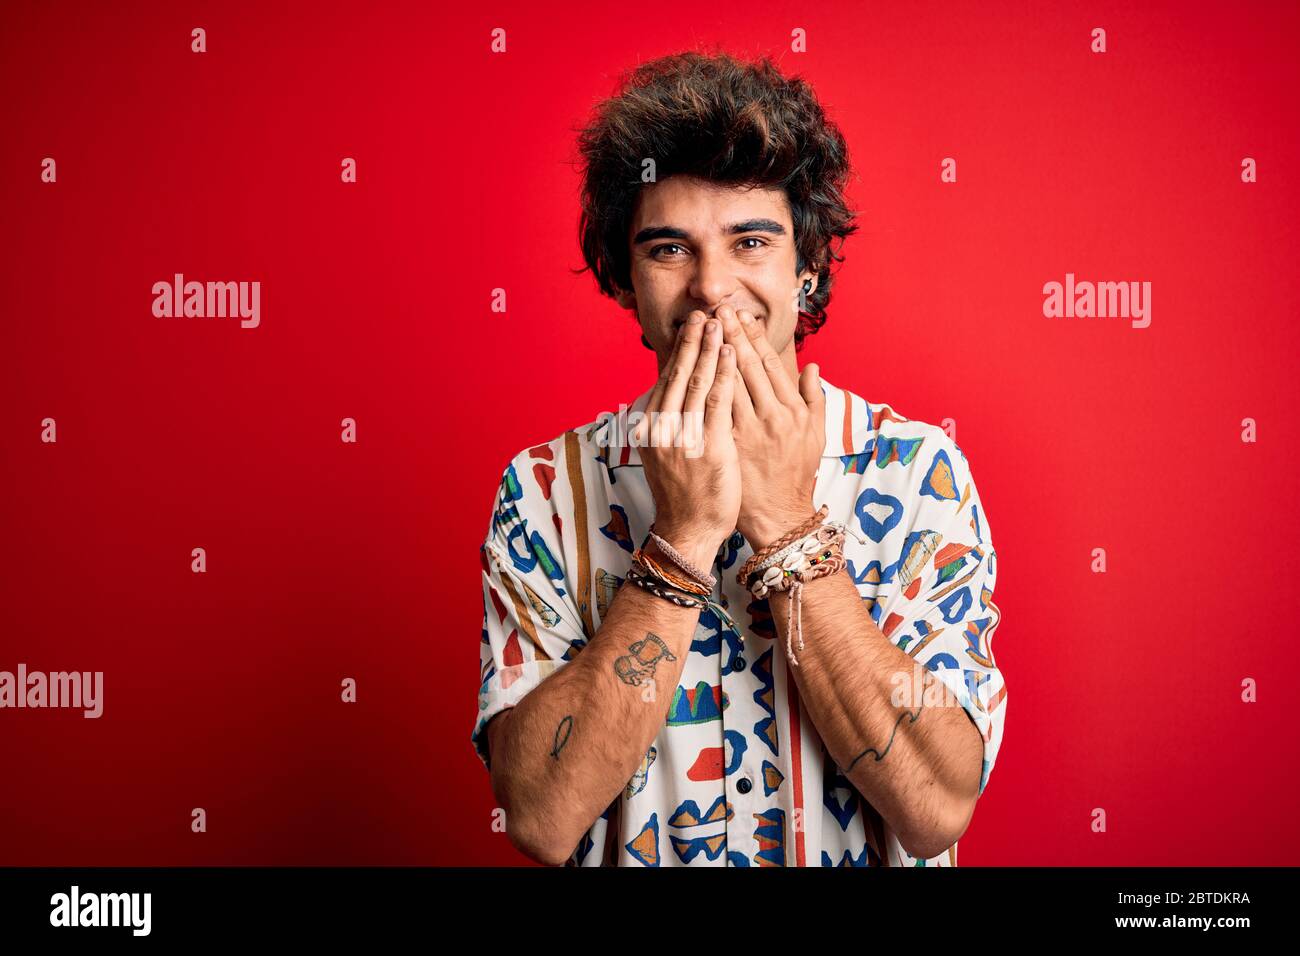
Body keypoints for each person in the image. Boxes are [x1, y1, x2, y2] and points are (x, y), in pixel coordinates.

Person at [471, 50, 1006, 867]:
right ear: (625, 281)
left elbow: (936, 809)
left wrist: (788, 528)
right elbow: (541, 818)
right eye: (668, 249)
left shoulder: (918, 470)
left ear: (809, 270)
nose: (713, 289)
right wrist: (680, 540)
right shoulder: (544, 489)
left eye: (751, 241)